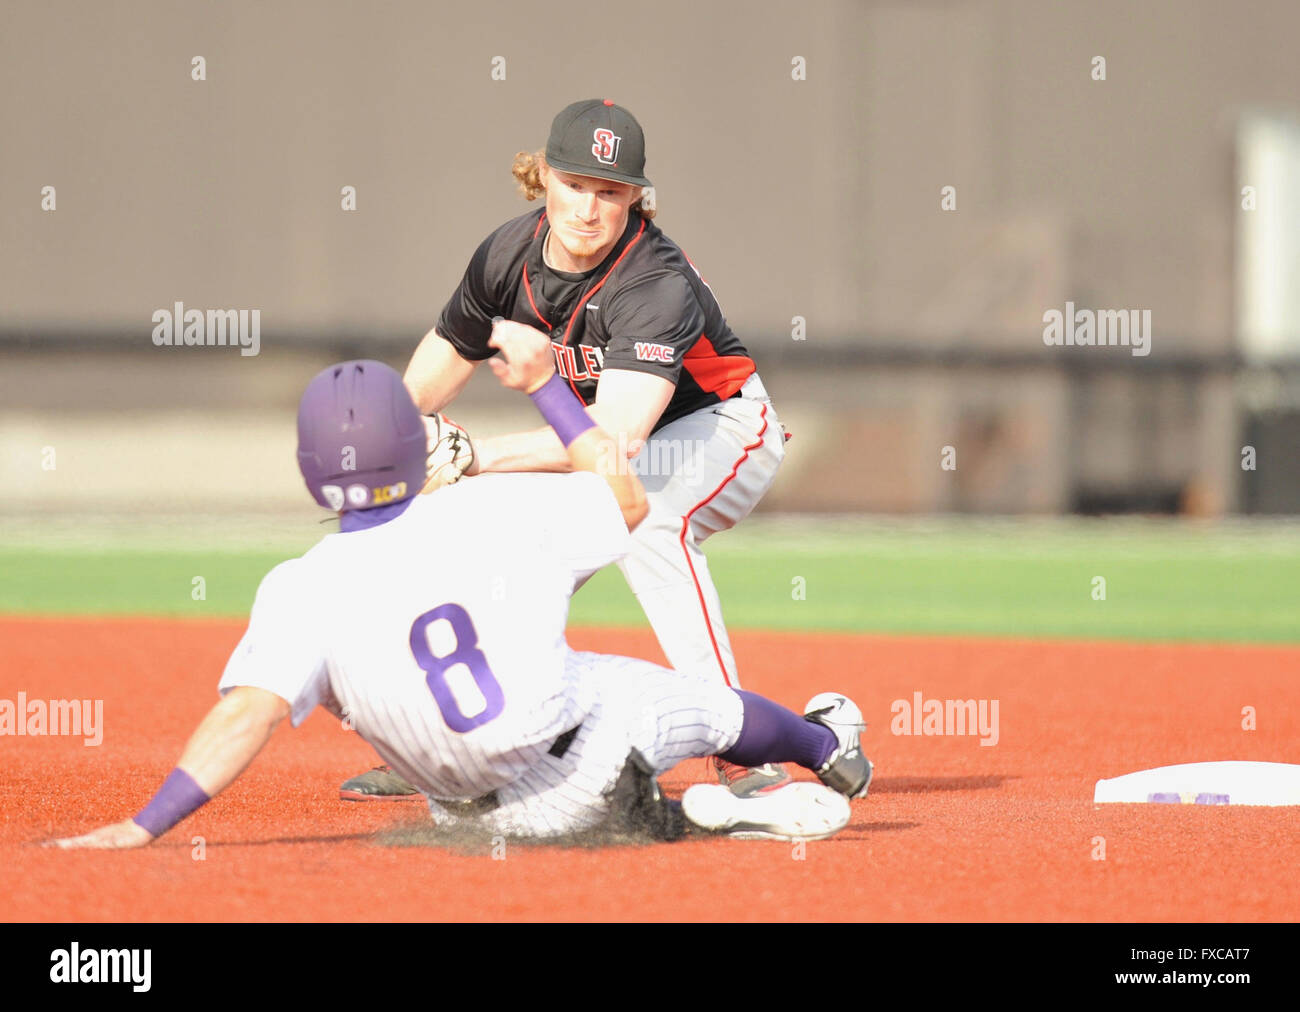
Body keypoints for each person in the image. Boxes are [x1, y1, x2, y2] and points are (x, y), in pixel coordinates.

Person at [46, 334, 872, 850]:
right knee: (711, 708)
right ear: (421, 451)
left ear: (310, 476)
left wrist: (144, 823)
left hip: (471, 821)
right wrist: (550, 387)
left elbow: (248, 713)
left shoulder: (301, 584)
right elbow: (627, 498)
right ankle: (825, 749)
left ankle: (666, 820)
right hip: (585, 759)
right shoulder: (495, 510)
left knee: (563, 779)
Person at [341, 97, 791, 802]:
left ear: (635, 198)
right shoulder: (505, 253)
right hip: (617, 445)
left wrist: (471, 457)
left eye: (610, 192)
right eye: (576, 184)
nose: (588, 207)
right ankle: (451, 748)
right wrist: (390, 437)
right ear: (543, 177)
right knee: (492, 542)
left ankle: (739, 743)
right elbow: (448, 355)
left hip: (725, 427)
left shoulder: (654, 281)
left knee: (652, 525)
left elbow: (615, 439)